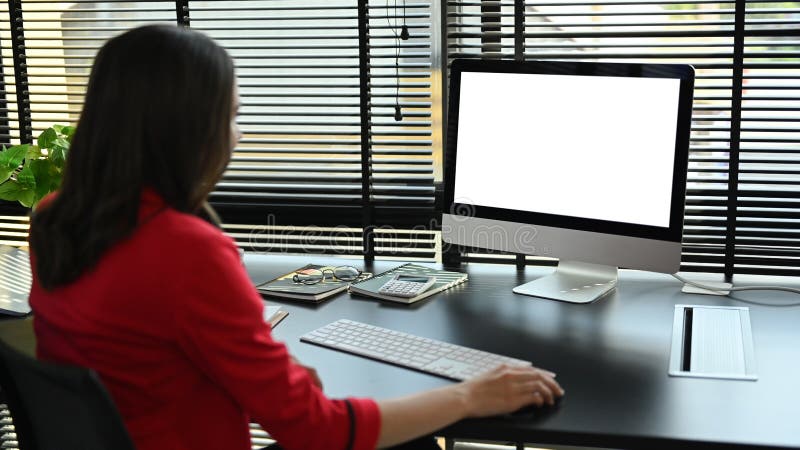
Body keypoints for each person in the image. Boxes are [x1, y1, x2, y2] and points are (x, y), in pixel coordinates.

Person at [28, 24, 563, 450]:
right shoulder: (184, 250)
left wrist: (264, 377)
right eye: (232, 117)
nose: (238, 136)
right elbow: (318, 433)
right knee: (410, 441)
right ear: (188, 131)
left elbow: (140, 363)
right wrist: (470, 397)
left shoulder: (57, 218)